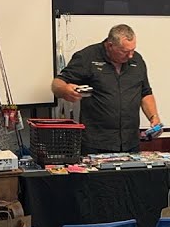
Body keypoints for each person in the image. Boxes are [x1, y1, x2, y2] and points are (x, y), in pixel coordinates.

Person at [52, 24, 162, 154]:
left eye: (133, 50)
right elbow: (56, 84)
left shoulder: (137, 61)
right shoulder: (87, 57)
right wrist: (65, 89)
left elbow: (145, 93)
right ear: (110, 45)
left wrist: (153, 117)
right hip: (96, 143)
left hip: (130, 142)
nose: (130, 56)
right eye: (125, 52)